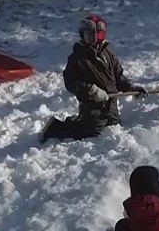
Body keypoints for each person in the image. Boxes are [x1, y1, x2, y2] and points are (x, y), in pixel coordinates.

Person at [40, 14, 147, 143]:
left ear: (101, 34)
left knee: (113, 127)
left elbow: (118, 76)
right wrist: (92, 91)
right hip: (92, 104)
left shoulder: (108, 52)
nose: (89, 37)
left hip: (111, 101)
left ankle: (80, 120)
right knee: (94, 132)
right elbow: (71, 82)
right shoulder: (78, 57)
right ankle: (55, 127)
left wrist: (131, 88)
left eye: (93, 34)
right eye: (87, 34)